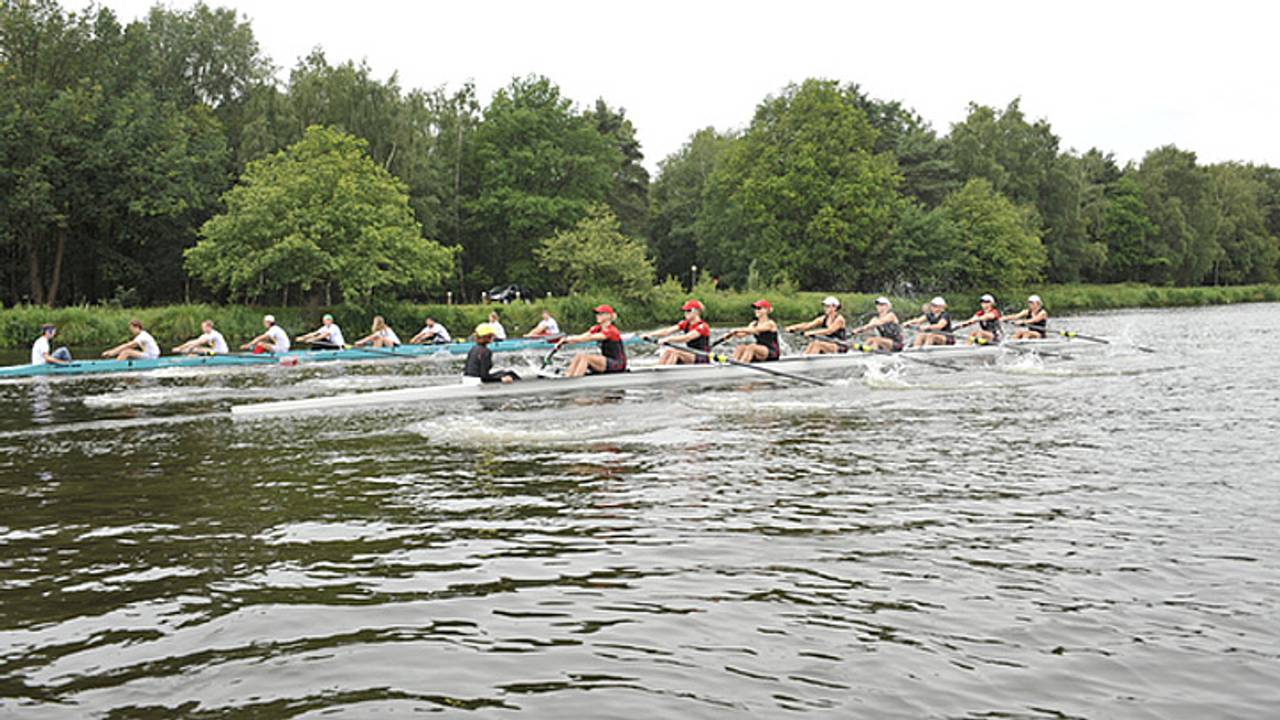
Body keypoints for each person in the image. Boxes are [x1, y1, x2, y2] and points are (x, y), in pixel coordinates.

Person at [557, 304, 628, 377]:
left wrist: (569, 339)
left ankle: (576, 380)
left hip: (617, 364)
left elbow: (589, 338)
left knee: (585, 358)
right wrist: (565, 340)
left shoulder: (612, 331)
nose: (597, 316)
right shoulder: (597, 328)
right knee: (579, 356)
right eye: (597, 313)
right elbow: (582, 336)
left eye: (600, 314)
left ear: (608, 316)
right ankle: (568, 377)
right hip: (606, 361)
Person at [644, 299, 712, 365]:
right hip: (690, 354)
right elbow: (666, 331)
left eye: (689, 310)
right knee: (668, 351)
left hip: (702, 356)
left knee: (675, 352)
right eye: (685, 311)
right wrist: (650, 334)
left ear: (697, 312)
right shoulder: (685, 324)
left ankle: (667, 373)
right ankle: (657, 370)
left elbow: (687, 338)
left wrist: (668, 339)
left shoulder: (703, 326)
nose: (686, 313)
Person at [723, 299, 781, 363]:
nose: (756, 310)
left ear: (766, 310)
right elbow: (741, 335)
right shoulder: (753, 323)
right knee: (740, 347)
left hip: (772, 352)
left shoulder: (770, 324)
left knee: (751, 347)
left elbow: (755, 330)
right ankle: (732, 365)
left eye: (759, 308)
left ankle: (742, 365)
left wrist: (736, 330)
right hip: (759, 350)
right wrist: (730, 334)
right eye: (755, 308)